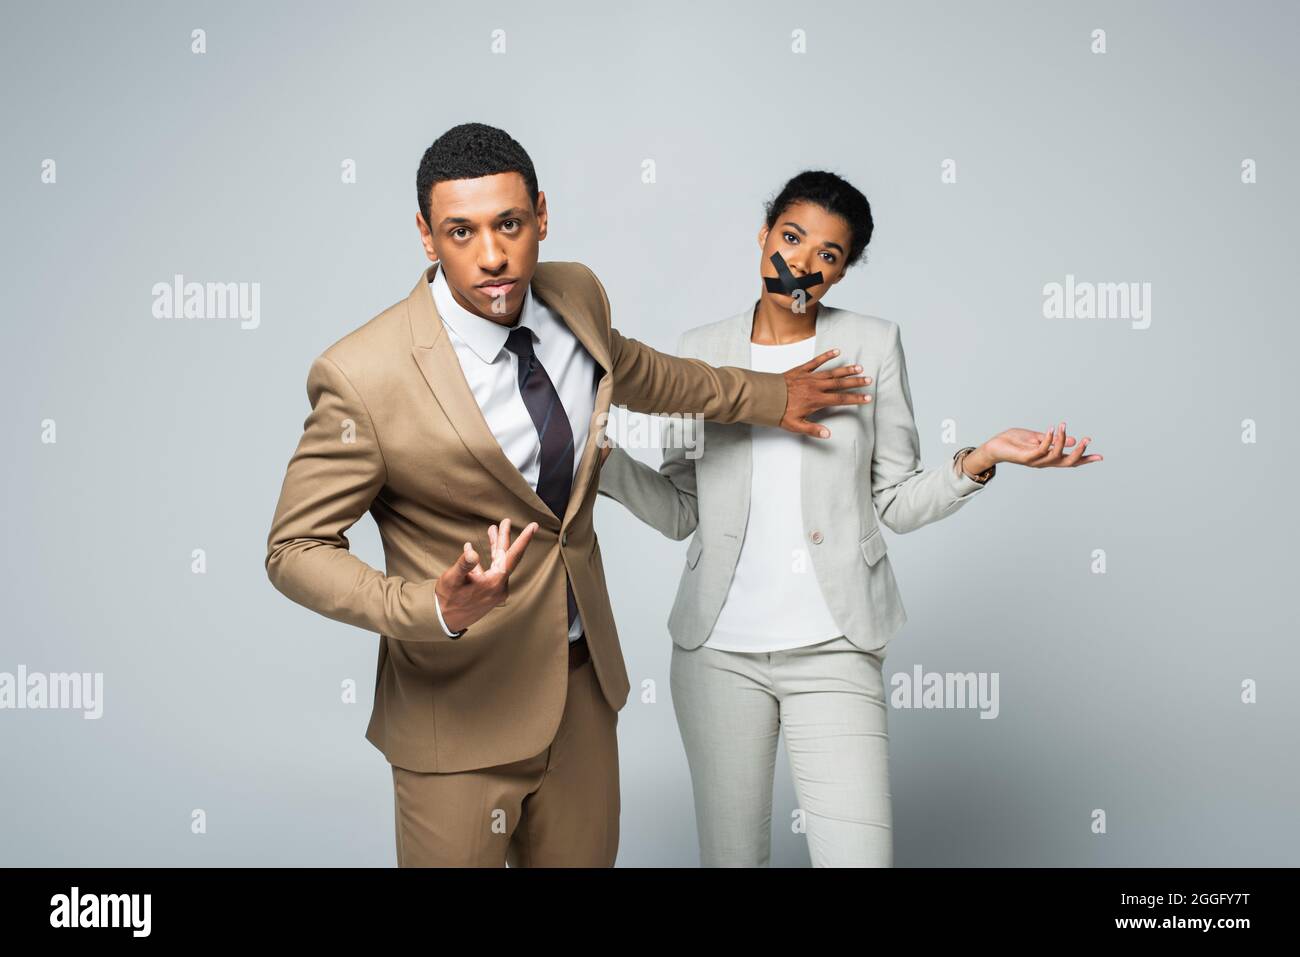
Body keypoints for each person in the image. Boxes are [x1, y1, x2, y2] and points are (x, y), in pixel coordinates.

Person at [263, 126, 871, 867]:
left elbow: (646, 373)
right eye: (461, 232)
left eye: (509, 224)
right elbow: (295, 549)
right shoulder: (364, 374)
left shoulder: (573, 295)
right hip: (457, 711)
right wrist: (430, 608)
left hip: (581, 695)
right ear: (426, 234)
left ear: (541, 216)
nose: (492, 256)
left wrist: (772, 396)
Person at [597, 169, 1102, 867]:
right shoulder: (699, 351)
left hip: (836, 646)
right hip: (717, 654)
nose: (802, 263)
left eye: (827, 254)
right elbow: (682, 509)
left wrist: (980, 459)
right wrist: (598, 460)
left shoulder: (872, 344)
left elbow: (895, 500)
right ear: (764, 235)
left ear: (840, 272)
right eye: (792, 237)